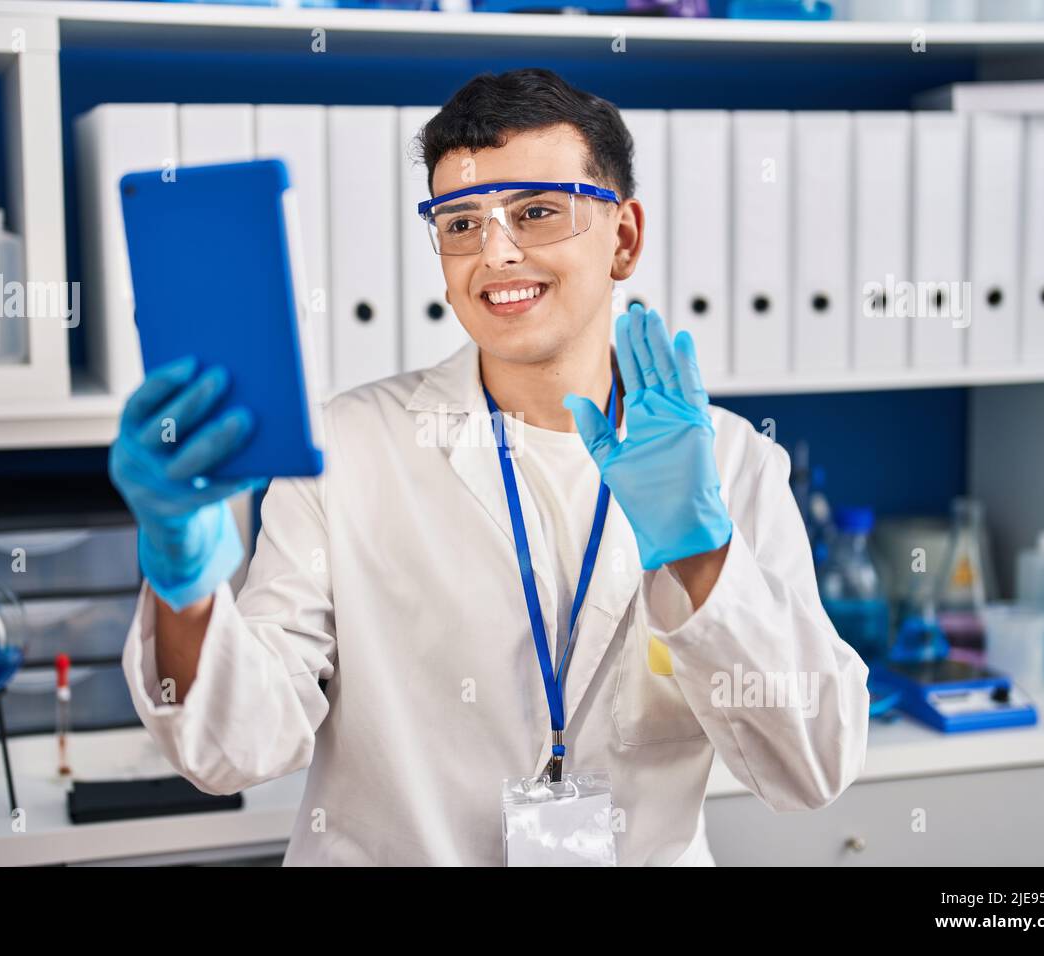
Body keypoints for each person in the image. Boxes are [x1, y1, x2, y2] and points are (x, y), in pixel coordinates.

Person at [111, 68, 870, 866]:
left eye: (537, 212)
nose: (495, 252)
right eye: (462, 222)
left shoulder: (730, 463)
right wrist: (184, 579)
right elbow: (235, 749)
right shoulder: (347, 448)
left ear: (623, 238)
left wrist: (703, 555)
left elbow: (813, 766)